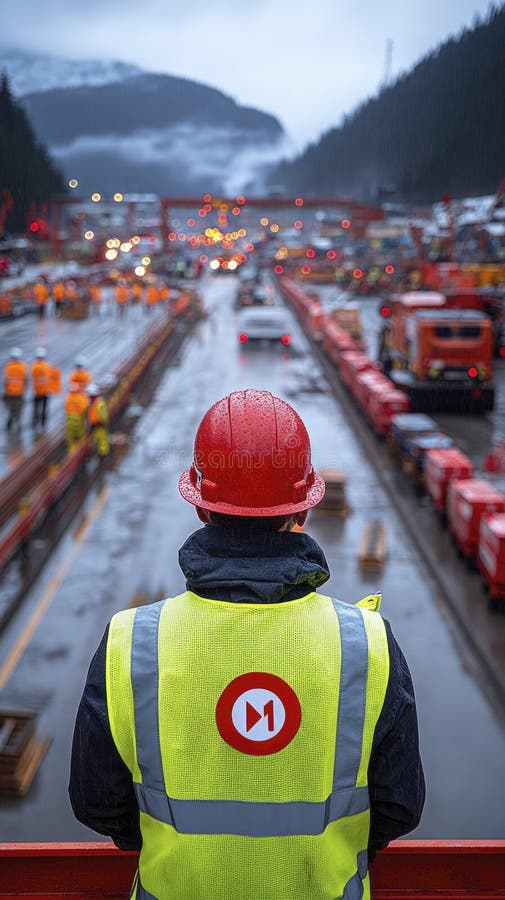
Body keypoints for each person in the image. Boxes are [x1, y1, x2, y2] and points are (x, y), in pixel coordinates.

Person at [69, 389, 425, 900]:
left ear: (202, 509)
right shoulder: (366, 645)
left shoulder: (132, 642)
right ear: (302, 510)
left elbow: (95, 801)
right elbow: (400, 806)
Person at [3, 347, 27, 431]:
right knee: (18, 409)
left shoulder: (8, 367)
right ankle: (18, 424)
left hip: (10, 392)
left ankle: (9, 423)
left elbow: (6, 381)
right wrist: (24, 390)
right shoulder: (23, 367)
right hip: (19, 392)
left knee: (11, 408)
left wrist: (5, 392)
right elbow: (25, 380)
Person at [31, 347, 53, 429]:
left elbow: (33, 377)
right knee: (44, 409)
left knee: (36, 408)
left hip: (37, 392)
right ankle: (43, 423)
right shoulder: (47, 366)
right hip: (45, 392)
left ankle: (35, 422)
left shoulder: (34, 366)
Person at [64, 382, 89, 451]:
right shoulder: (80, 397)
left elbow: (66, 407)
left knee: (71, 438)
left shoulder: (68, 397)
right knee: (81, 435)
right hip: (78, 418)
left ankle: (72, 454)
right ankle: (83, 450)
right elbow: (85, 406)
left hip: (69, 419)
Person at [86, 383, 109, 457]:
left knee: (102, 440)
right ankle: (100, 452)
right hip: (95, 424)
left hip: (99, 425)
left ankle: (103, 454)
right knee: (98, 439)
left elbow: (103, 416)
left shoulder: (99, 403)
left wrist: (101, 423)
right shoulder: (92, 403)